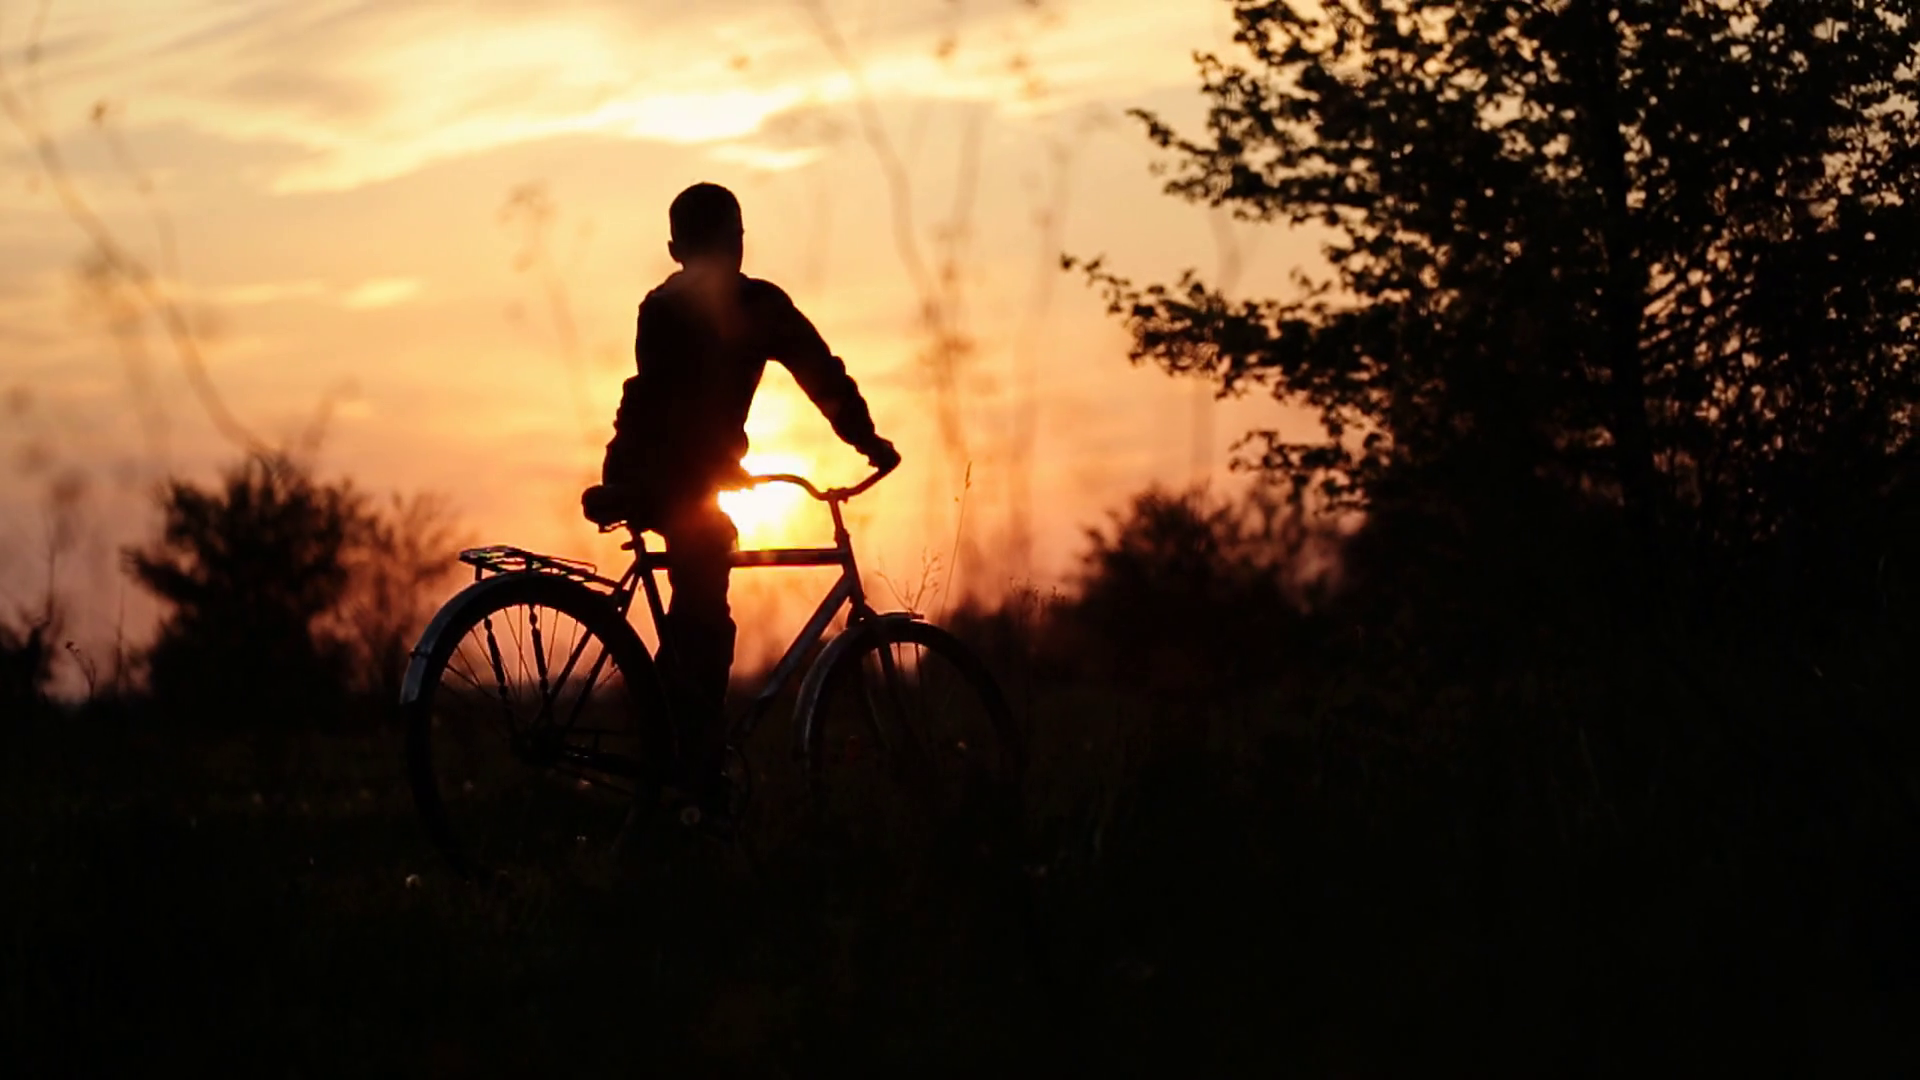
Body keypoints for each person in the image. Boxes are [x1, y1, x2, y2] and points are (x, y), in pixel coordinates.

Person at [585, 181, 900, 825]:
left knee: (697, 611)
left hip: (641, 468)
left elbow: (658, 398)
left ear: (675, 248)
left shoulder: (658, 305)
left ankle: (679, 751)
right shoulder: (758, 306)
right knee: (707, 616)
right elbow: (822, 375)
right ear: (737, 241)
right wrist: (867, 441)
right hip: (682, 481)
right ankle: (689, 772)